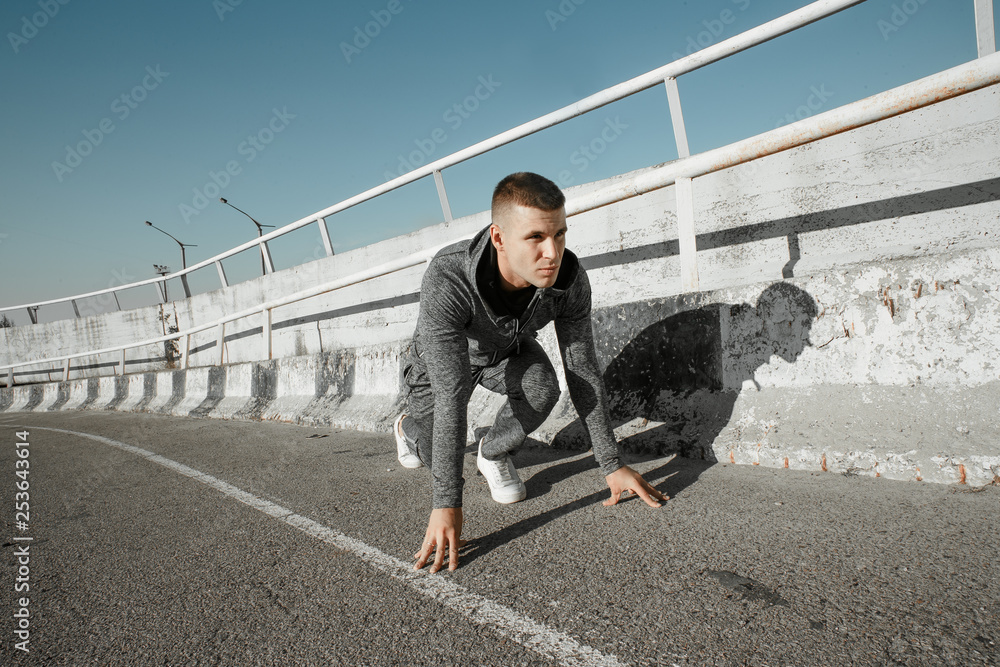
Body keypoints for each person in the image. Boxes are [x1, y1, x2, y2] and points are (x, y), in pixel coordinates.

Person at [395, 172, 667, 573]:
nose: (552, 253)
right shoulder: (449, 277)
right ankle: (406, 428)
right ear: (499, 238)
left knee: (542, 387)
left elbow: (582, 369)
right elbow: (452, 394)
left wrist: (612, 463)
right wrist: (446, 504)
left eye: (559, 234)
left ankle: (493, 451)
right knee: (439, 453)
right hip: (439, 367)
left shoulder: (568, 280)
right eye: (536, 237)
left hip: (504, 354)